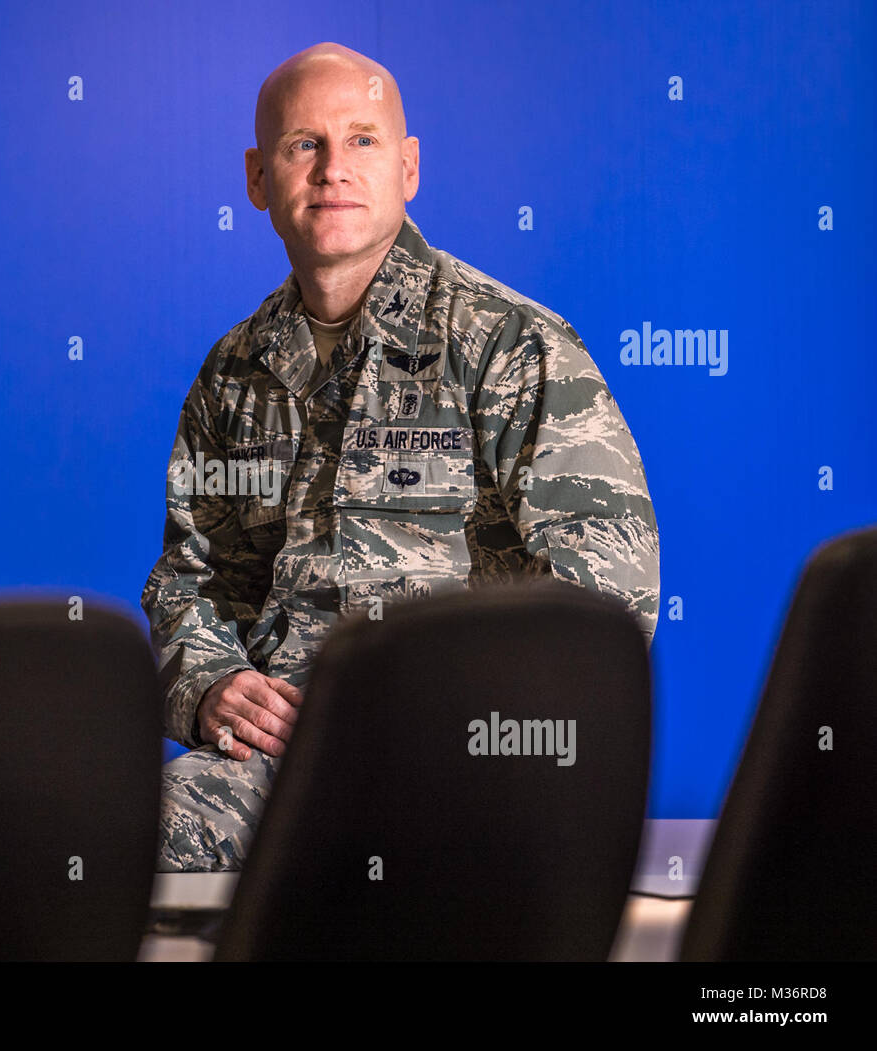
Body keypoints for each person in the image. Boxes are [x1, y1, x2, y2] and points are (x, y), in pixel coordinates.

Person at [141, 42, 660, 871]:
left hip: (465, 761)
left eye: (363, 140)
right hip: (283, 765)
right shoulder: (233, 373)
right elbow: (194, 579)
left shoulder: (507, 344)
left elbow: (608, 591)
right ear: (256, 179)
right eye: (303, 144)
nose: (332, 169)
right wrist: (209, 687)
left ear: (409, 168)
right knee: (111, 851)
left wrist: (459, 719)